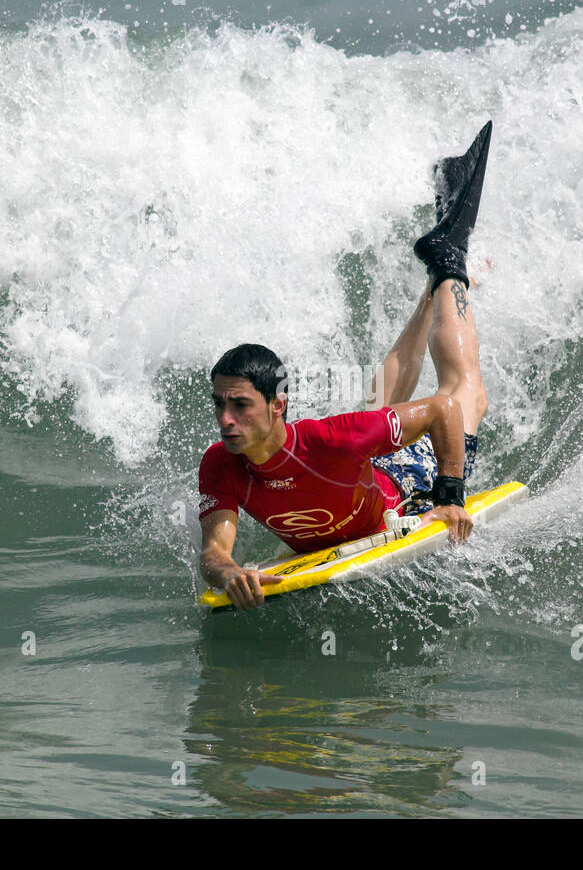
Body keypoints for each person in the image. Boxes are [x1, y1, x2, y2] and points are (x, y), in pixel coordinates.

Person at [198, 121, 493, 610]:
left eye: (241, 405)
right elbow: (213, 552)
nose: (225, 419)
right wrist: (229, 572)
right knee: (380, 412)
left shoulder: (329, 440)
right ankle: (434, 281)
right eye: (220, 404)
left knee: (465, 392)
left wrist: (450, 495)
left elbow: (442, 410)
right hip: (363, 473)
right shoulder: (220, 464)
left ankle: (451, 263)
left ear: (278, 405)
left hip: (408, 492)